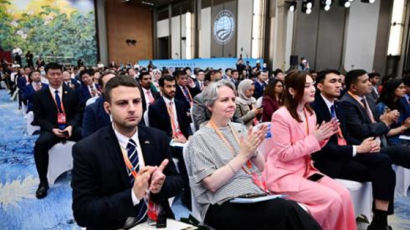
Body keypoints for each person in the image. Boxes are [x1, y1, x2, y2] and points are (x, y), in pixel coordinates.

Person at [185, 80, 322, 230]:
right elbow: (211, 184)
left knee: (288, 210)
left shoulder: (239, 128)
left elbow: (262, 167)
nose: (231, 104)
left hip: (253, 195)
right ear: (210, 106)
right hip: (221, 204)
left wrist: (254, 150)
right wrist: (243, 155)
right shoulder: (200, 138)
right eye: (224, 100)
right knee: (287, 211)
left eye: (232, 99)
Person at [72, 76, 183, 230]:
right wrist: (132, 196)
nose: (132, 108)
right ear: (107, 108)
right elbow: (82, 213)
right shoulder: (88, 149)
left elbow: (177, 181)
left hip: (157, 222)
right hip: (115, 224)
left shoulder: (157, 138)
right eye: (122, 103)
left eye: (136, 101)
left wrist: (159, 186)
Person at [263, 70, 356, 230]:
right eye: (306, 86)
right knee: (332, 199)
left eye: (312, 85)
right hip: (284, 175)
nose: (313, 89)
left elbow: (310, 147)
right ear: (292, 91)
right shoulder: (281, 116)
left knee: (345, 195)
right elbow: (284, 154)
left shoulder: (310, 113)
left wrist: (323, 137)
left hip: (305, 170)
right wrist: (315, 138)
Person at [311, 70, 396, 230]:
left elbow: (347, 136)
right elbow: (324, 147)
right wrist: (357, 148)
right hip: (329, 160)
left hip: (346, 151)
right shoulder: (314, 108)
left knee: (383, 161)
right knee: (381, 169)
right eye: (333, 81)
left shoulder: (338, 105)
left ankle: (380, 220)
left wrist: (366, 145)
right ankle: (380, 222)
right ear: (320, 86)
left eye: (339, 81)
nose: (338, 85)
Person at [340, 69, 410, 169]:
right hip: (366, 145)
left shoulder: (368, 98)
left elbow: (376, 121)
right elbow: (360, 131)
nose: (370, 83)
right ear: (353, 87)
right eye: (365, 81)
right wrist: (385, 122)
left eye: (368, 80)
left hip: (381, 141)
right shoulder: (347, 103)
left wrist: (385, 118)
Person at [32, 62, 82, 198]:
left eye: (58, 74)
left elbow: (78, 113)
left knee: (87, 137)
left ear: (62, 74)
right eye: (52, 74)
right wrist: (53, 129)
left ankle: (87, 174)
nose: (56, 77)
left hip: (70, 128)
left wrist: (71, 126)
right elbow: (39, 118)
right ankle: (43, 181)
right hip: (51, 130)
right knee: (40, 145)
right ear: (46, 76)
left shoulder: (72, 92)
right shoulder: (39, 95)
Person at [81, 71, 117, 137]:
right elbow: (87, 137)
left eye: (116, 84)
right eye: (109, 85)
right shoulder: (92, 109)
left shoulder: (130, 104)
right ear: (101, 89)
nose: (114, 87)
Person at [375, 78, 410, 145]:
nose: (404, 90)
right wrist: (404, 126)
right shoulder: (381, 106)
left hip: (400, 136)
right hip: (388, 140)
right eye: (401, 88)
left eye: (405, 87)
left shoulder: (401, 103)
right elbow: (385, 133)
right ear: (392, 89)